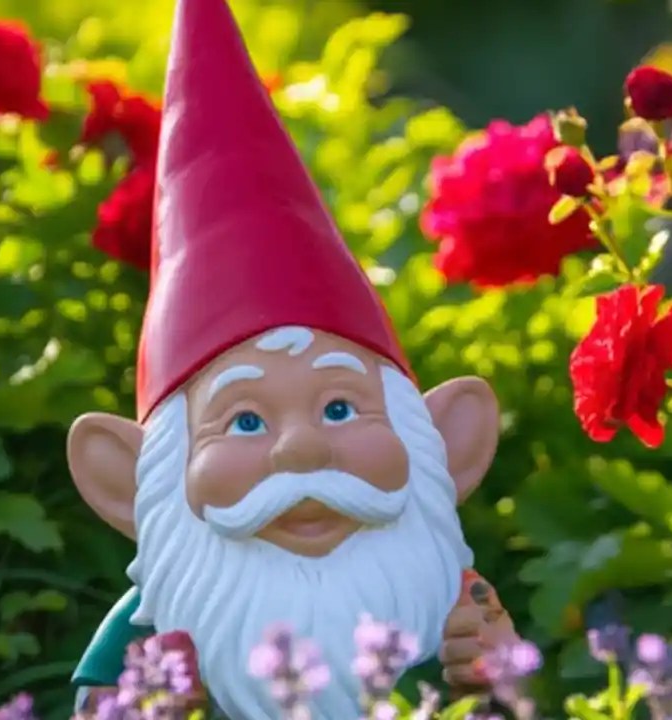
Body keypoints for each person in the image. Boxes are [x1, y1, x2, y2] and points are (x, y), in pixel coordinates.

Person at [63, 0, 520, 716]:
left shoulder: (451, 612)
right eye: (244, 422)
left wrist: (488, 681)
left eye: (340, 408)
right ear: (125, 485)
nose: (303, 448)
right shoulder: (154, 635)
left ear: (447, 443)